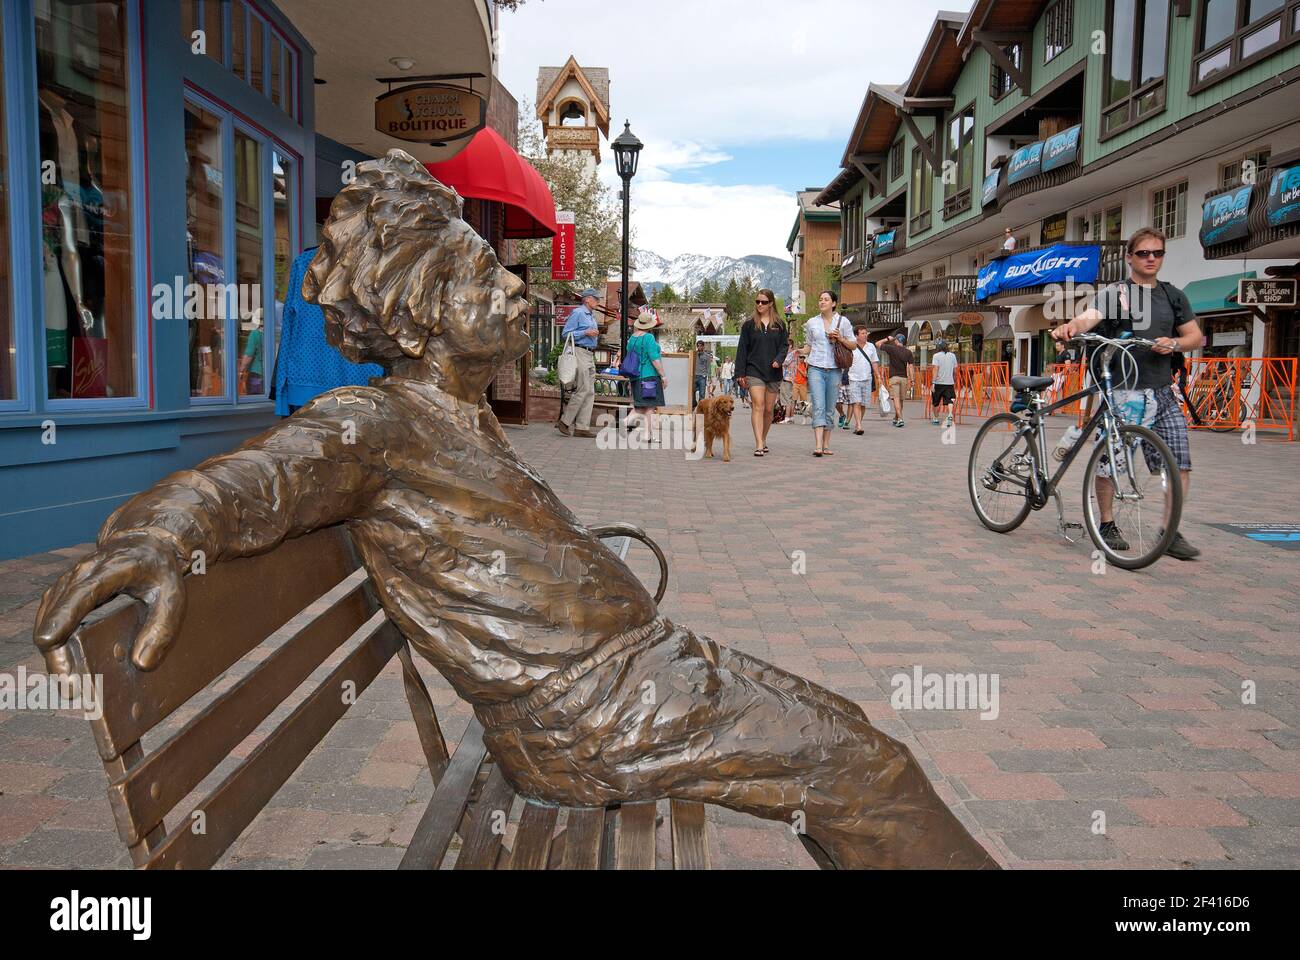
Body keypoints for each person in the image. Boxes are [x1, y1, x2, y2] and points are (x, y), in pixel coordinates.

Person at [33, 150, 996, 870]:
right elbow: (263, 476)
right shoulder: (377, 422)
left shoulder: (451, 416)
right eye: (481, 279)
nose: (509, 287)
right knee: (866, 766)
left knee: (850, 733)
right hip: (587, 716)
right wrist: (165, 531)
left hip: (625, 678)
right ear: (422, 308)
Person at [1053, 226, 1202, 561]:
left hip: (1162, 391)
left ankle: (1169, 530)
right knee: (1110, 463)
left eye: (1157, 253)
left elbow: (1195, 337)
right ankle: (1106, 524)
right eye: (1143, 253)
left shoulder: (1173, 296)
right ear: (1129, 257)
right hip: (1122, 391)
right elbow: (1088, 318)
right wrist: (1069, 328)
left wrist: (1174, 343)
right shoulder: (1115, 293)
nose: (1151, 259)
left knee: (1179, 463)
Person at [272, 247, 384, 416]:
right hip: (362, 383)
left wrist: (282, 392)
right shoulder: (377, 264)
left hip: (308, 380)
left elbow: (289, 327)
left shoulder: (306, 263)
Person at [734, 287, 789, 457]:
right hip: (754, 370)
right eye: (757, 301)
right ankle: (758, 444)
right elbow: (742, 349)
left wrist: (778, 360)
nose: (759, 304)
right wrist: (739, 374)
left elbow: (784, 346)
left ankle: (763, 439)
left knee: (768, 410)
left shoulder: (779, 324)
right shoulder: (749, 325)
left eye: (763, 302)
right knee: (758, 405)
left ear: (771, 303)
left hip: (773, 372)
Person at [804, 290, 854, 457]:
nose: (822, 302)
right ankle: (818, 445)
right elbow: (809, 346)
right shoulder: (812, 322)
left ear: (833, 303)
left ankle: (826, 444)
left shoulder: (843, 322)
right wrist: (800, 352)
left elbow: (853, 345)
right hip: (816, 368)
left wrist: (840, 338)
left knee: (830, 408)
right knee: (818, 405)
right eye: (820, 299)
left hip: (834, 370)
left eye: (826, 299)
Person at [557, 288, 610, 439]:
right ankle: (565, 422)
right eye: (596, 299)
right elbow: (565, 334)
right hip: (579, 352)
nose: (598, 301)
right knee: (583, 389)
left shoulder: (591, 315)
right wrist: (585, 332)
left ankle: (582, 427)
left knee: (590, 391)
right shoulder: (578, 313)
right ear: (587, 299)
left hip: (589, 353)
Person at [627, 312, 667, 443]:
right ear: (649, 325)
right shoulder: (649, 337)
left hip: (635, 376)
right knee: (649, 406)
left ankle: (647, 434)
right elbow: (654, 359)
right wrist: (663, 376)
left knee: (643, 405)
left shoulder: (632, 338)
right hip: (649, 376)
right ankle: (628, 422)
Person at [848, 325, 883, 435]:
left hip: (867, 378)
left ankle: (858, 423)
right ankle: (859, 426)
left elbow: (874, 362)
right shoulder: (851, 345)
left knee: (863, 404)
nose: (865, 335)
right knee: (856, 402)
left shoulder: (871, 346)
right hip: (854, 378)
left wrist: (878, 376)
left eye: (866, 333)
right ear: (856, 335)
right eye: (862, 333)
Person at [877, 331, 915, 428]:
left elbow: (877, 344)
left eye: (895, 340)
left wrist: (888, 339)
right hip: (904, 378)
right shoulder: (908, 352)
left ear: (896, 340)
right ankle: (896, 418)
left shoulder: (892, 349)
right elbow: (911, 367)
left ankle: (900, 419)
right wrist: (912, 379)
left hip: (894, 378)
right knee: (901, 400)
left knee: (896, 399)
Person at [931, 339, 958, 427]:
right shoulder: (953, 356)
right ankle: (950, 414)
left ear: (938, 347)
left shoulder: (936, 356)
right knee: (950, 399)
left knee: (936, 401)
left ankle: (935, 418)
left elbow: (935, 369)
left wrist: (933, 383)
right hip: (949, 382)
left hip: (938, 382)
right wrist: (954, 380)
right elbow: (955, 370)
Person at [780, 340, 798, 423]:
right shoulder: (795, 353)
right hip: (791, 377)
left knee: (787, 398)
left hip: (787, 377)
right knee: (791, 398)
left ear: (790, 345)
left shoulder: (791, 353)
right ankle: (791, 416)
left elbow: (785, 362)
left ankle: (787, 417)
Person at [794, 344, 810, 415]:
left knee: (803, 399)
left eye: (802, 357)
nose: (801, 359)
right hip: (795, 383)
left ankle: (802, 410)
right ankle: (794, 409)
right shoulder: (795, 363)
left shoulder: (806, 365)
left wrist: (799, 369)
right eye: (800, 357)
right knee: (794, 398)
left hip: (803, 383)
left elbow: (805, 375)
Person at [693, 341, 709, 409]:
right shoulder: (694, 354)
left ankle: (700, 408)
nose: (699, 347)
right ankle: (694, 403)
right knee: (692, 392)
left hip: (702, 376)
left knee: (702, 394)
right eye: (698, 346)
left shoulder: (707, 356)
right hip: (694, 376)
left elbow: (708, 367)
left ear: (703, 346)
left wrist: (709, 377)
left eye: (700, 346)